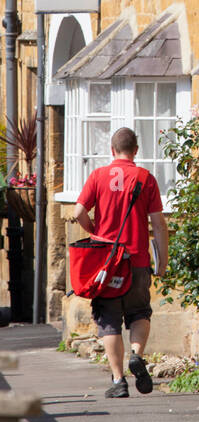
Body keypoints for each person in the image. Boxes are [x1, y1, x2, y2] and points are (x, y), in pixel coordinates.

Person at [71, 127, 169, 399]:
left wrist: (95, 232)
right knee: (139, 312)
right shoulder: (145, 178)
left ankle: (118, 381)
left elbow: (78, 212)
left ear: (112, 151)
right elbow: (159, 225)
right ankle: (136, 356)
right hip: (136, 259)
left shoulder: (98, 176)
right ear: (135, 151)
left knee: (109, 321)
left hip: (107, 263)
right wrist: (161, 263)